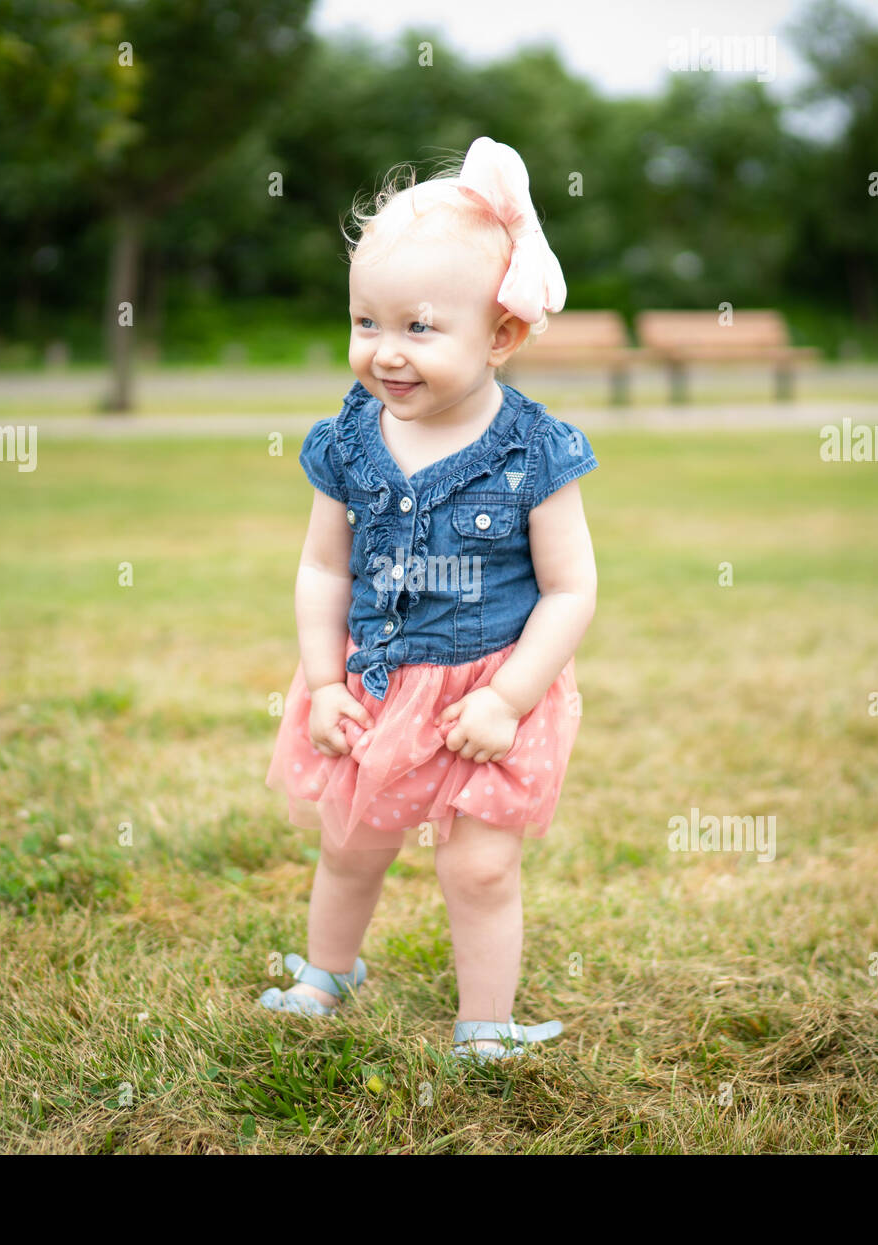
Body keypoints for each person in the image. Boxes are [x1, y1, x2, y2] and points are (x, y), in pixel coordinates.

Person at [263, 136, 599, 1062]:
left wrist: (508, 698)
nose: (386, 353)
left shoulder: (536, 451)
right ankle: (327, 972)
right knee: (352, 841)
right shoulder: (349, 440)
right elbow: (324, 569)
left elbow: (572, 590)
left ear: (501, 335)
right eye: (366, 323)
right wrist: (324, 682)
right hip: (376, 685)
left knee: (480, 865)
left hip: (496, 691)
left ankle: (484, 1024)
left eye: (419, 328)